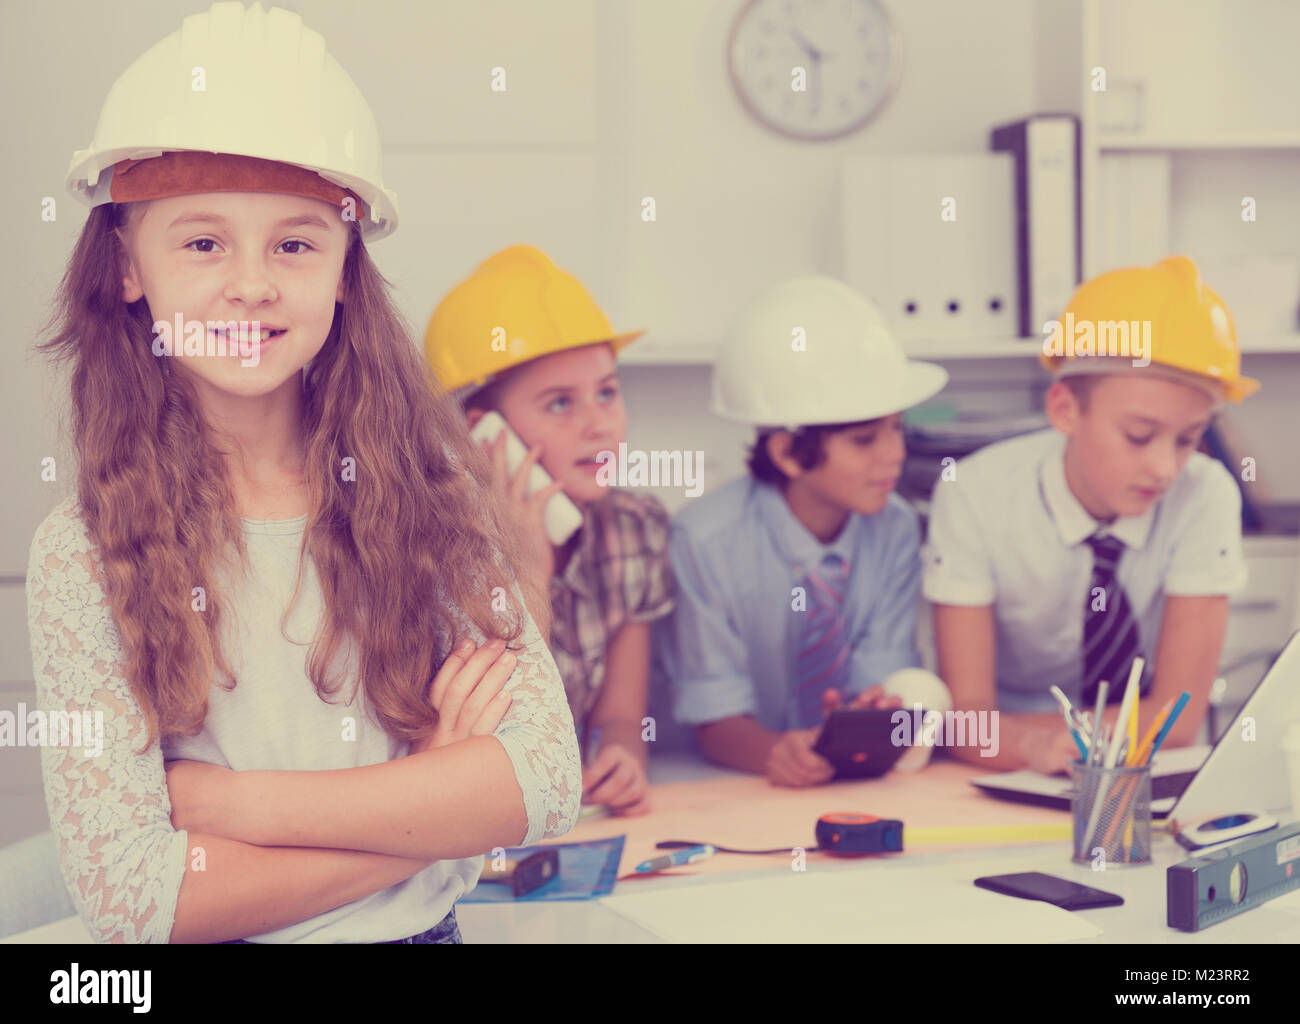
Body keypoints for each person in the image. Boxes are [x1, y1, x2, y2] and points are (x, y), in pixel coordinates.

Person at [27, 1, 580, 944]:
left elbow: (542, 782)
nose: (252, 282)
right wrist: (431, 817)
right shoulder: (79, 554)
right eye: (203, 242)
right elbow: (136, 903)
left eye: (295, 242)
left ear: (343, 269)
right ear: (128, 266)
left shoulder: (434, 501)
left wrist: (231, 808)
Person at [924, 256, 1257, 774]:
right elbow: (966, 723)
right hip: (1005, 769)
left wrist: (1016, 731)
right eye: (1139, 436)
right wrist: (1030, 748)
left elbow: (1176, 723)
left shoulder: (1206, 493)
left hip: (1138, 768)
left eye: (1189, 439)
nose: (1165, 467)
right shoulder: (972, 494)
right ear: (1065, 411)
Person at [660, 275, 953, 786]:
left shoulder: (895, 526)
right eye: (865, 439)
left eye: (897, 428)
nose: (896, 455)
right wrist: (780, 753)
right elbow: (715, 721)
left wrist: (876, 710)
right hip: (727, 785)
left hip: (849, 783)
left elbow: (881, 682)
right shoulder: (704, 540)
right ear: (789, 453)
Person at [424, 245, 674, 816]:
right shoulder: (432, 554)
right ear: (483, 434)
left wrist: (624, 759)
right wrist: (524, 570)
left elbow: (620, 719)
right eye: (560, 403)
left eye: (607, 392)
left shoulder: (634, 530)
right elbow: (467, 745)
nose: (599, 424)